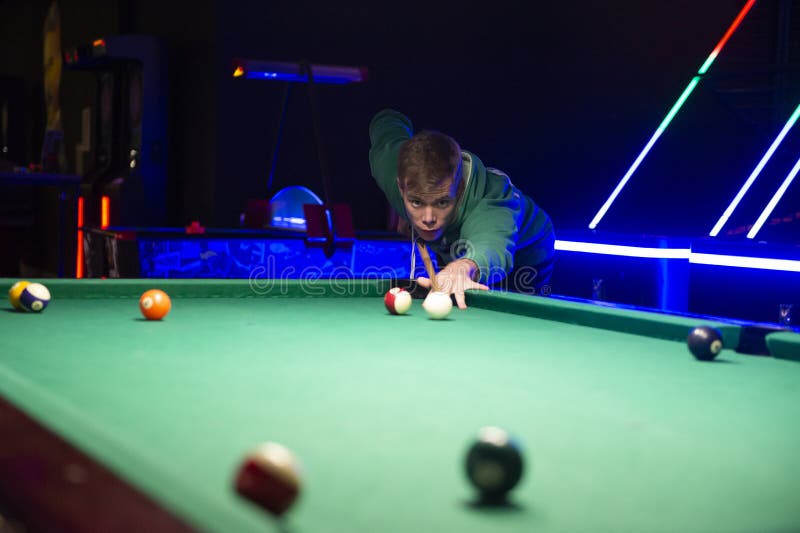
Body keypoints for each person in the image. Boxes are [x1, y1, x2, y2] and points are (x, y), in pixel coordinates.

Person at [369, 108, 556, 309]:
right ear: (401, 187)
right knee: (451, 289)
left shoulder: (489, 204)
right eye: (417, 202)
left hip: (525, 255)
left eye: (442, 202)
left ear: (458, 191)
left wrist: (464, 266)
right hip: (458, 247)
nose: (428, 218)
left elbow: (491, 247)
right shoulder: (390, 166)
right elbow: (386, 121)